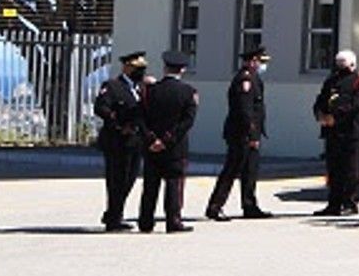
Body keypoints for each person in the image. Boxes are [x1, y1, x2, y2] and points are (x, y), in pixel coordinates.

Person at [207, 47, 273, 221]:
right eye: (261, 62)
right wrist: (251, 135)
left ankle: (249, 205)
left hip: (249, 133)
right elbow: (245, 111)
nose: (262, 65)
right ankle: (215, 206)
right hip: (241, 134)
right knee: (232, 170)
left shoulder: (253, 77)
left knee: (250, 171)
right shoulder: (246, 79)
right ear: (253, 61)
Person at [138, 51, 198, 233]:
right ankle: (173, 220)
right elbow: (187, 121)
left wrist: (152, 139)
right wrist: (167, 139)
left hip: (151, 146)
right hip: (175, 147)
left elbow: (141, 118)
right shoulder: (188, 92)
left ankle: (145, 221)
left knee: (150, 185)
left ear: (165, 68)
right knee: (174, 184)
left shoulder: (151, 91)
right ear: (183, 70)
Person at [93, 50, 150, 231]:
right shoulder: (112, 86)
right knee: (117, 179)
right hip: (117, 140)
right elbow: (101, 108)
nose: (141, 72)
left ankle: (114, 213)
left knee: (130, 178)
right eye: (137, 68)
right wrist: (117, 124)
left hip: (136, 140)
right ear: (126, 68)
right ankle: (113, 218)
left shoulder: (140, 88)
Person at [312, 49, 359, 216]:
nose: (341, 67)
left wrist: (336, 117)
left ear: (352, 64)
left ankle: (349, 203)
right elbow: (320, 101)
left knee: (352, 170)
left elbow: (357, 105)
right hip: (333, 133)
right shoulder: (331, 81)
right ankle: (333, 203)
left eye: (344, 64)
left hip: (352, 133)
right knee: (334, 170)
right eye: (339, 64)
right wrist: (320, 115)